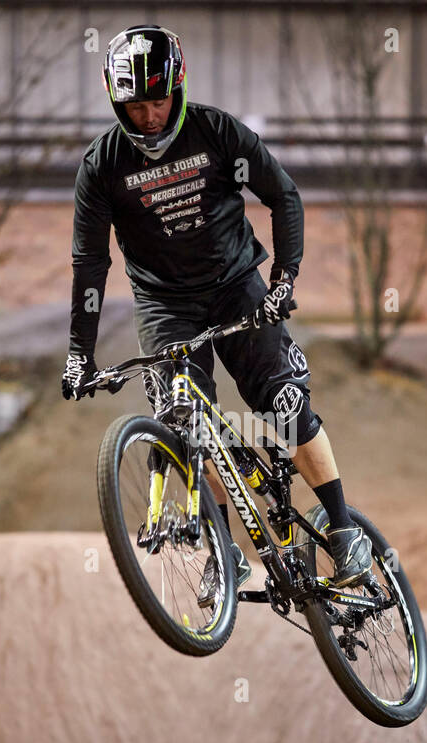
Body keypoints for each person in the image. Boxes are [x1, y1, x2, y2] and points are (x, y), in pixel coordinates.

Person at [61, 24, 372, 600]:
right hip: (165, 305)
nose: (151, 117)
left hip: (237, 286)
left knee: (283, 404)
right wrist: (79, 354)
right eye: (136, 106)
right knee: (184, 419)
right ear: (114, 99)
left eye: (159, 102)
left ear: (178, 89)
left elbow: (283, 197)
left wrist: (283, 281)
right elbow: (89, 263)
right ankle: (225, 550)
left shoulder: (216, 133)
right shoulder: (102, 166)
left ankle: (345, 529)